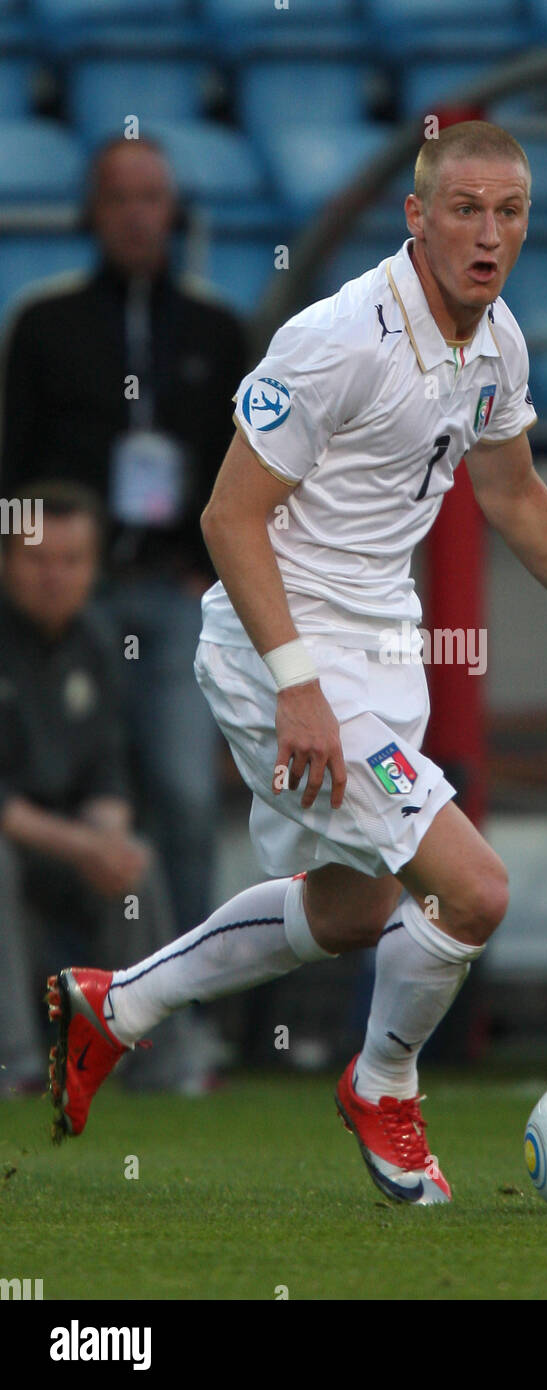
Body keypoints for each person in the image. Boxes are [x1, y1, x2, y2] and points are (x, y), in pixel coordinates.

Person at [46, 121, 547, 1204]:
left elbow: (510, 490)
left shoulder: (498, 341)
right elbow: (226, 516)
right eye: (464, 209)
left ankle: (115, 1005)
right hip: (283, 647)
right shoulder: (337, 337)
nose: (487, 234)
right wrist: (297, 681)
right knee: (473, 889)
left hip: (377, 648)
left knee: (354, 909)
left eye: (509, 213)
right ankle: (383, 1082)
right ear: (416, 216)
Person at [0, 136, 248, 939]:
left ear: (174, 211)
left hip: (178, 596)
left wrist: (209, 573)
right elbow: (13, 463)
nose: (138, 215)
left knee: (181, 791)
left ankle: (186, 1008)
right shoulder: (45, 324)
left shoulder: (216, 329)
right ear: (91, 211)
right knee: (68, 787)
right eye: (119, 197)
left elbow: (247, 471)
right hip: (70, 599)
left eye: (151, 197)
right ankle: (65, 1000)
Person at [0, 483, 219, 1095]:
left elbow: (107, 770)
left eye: (71, 561)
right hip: (17, 844)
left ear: (95, 568)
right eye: (38, 559)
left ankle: (163, 1064)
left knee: (138, 863)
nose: (55, 576)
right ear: (6, 560)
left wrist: (110, 837)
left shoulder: (96, 641)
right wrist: (84, 845)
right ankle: (13, 1066)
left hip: (63, 846)